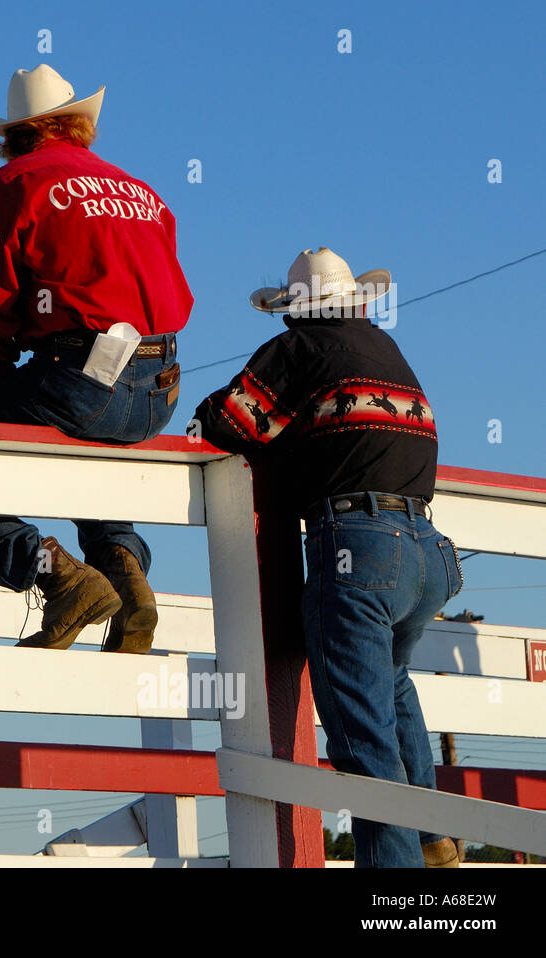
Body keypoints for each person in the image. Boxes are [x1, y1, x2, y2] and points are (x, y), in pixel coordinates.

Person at [193, 247, 461, 869]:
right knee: (391, 685)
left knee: (363, 738)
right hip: (427, 549)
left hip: (360, 546)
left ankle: (398, 892)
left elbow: (227, 423)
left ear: (296, 311)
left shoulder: (301, 349)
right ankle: (433, 832)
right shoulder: (388, 353)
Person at [0, 65, 194, 652]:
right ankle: (124, 571)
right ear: (77, 125)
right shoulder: (140, 189)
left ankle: (61, 578)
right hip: (162, 383)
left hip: (78, 374)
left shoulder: (8, 186)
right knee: (89, 458)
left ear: (13, 134)